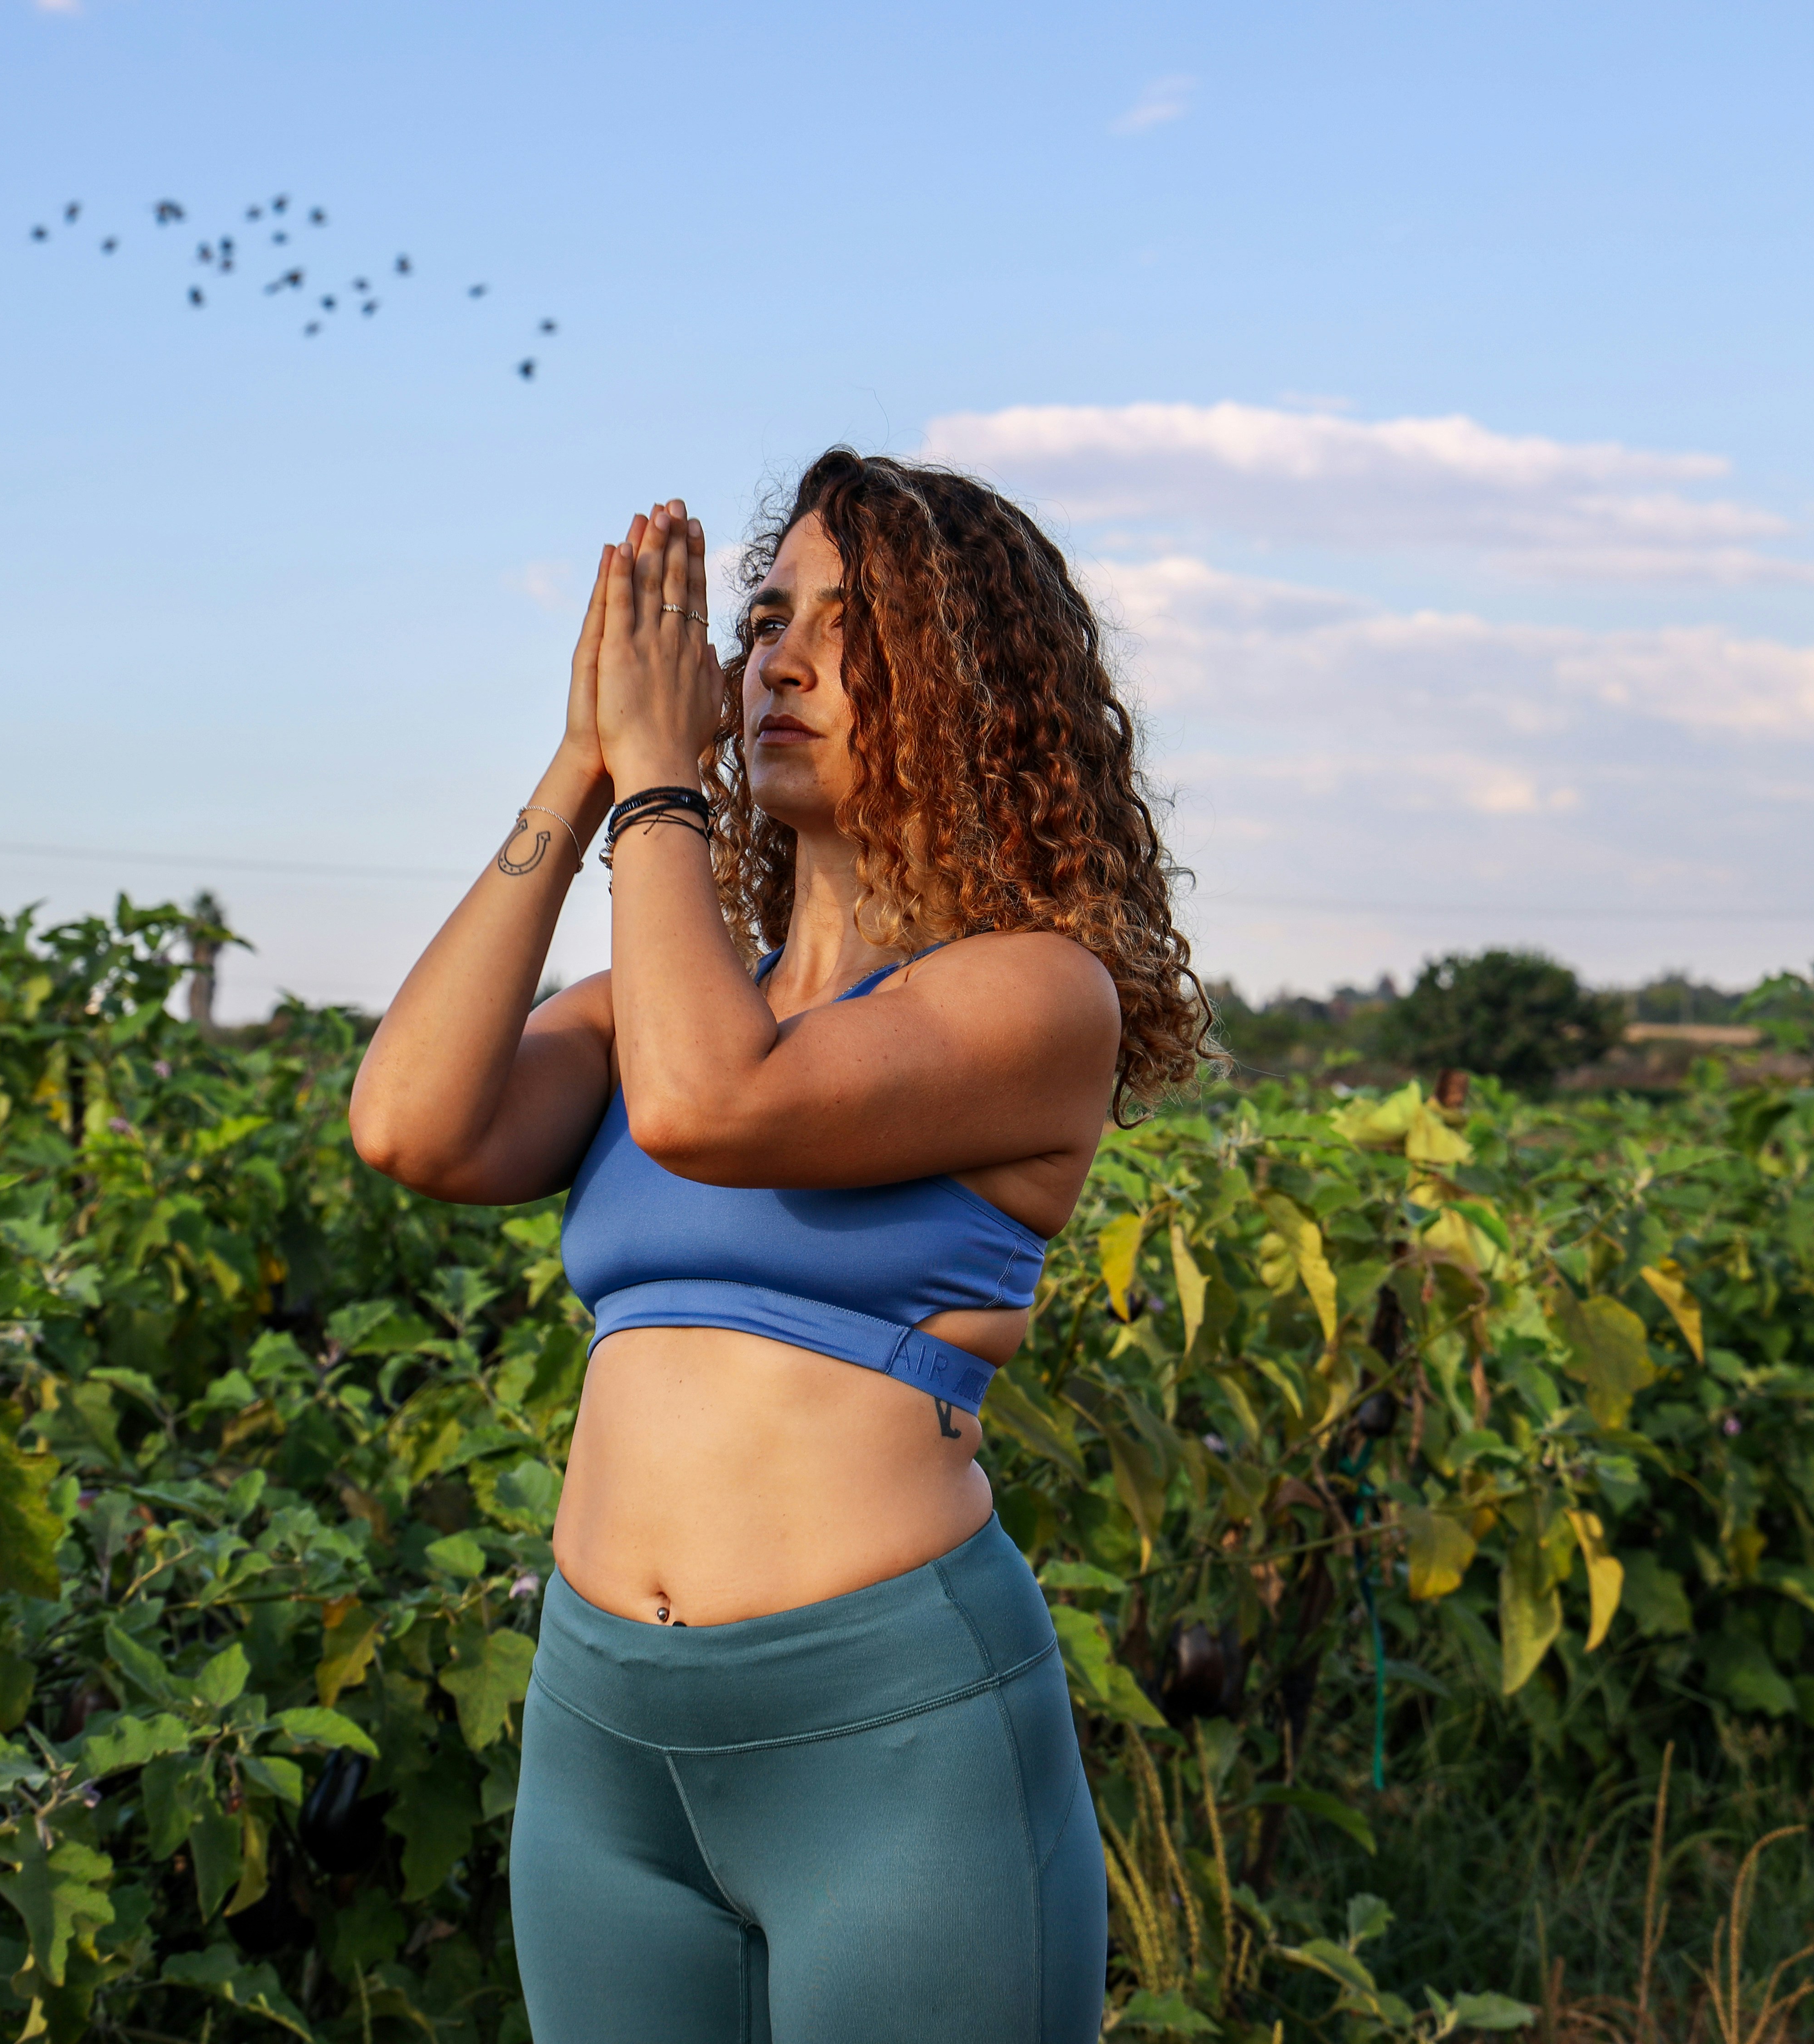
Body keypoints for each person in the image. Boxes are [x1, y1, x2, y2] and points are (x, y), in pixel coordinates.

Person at [348, 449, 1210, 2043]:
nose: (781, 661)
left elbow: (708, 1107)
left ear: (972, 693)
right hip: (605, 1736)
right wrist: (582, 767)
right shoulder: (672, 997)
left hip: (891, 1740)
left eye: (854, 626)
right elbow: (411, 1122)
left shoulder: (1032, 995)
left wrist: (664, 786)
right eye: (765, 619)